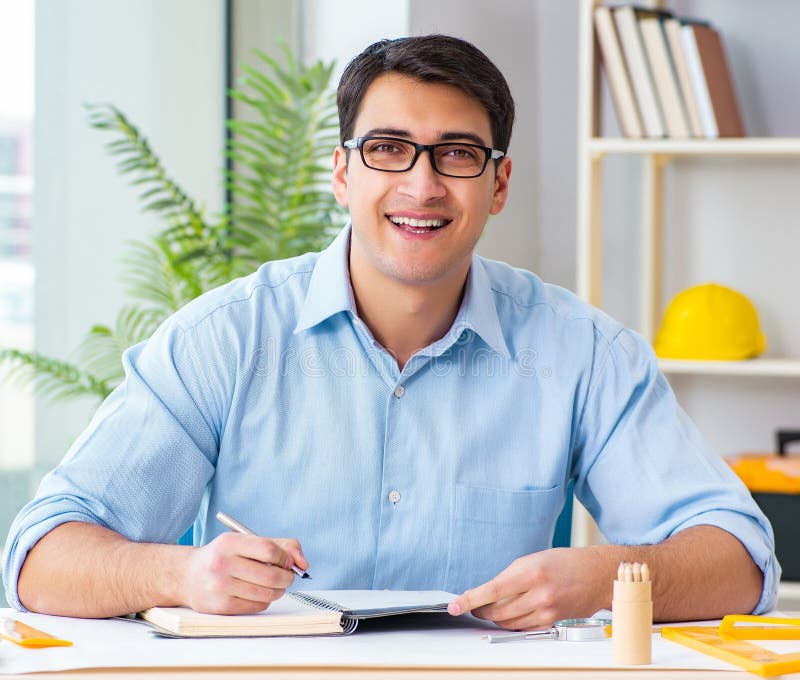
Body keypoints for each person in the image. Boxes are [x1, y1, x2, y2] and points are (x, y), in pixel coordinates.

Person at [3, 35, 776, 628]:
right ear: (343, 173)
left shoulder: (583, 352)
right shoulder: (225, 339)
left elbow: (740, 560)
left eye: (458, 154)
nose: (422, 184)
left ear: (499, 184)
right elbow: (40, 558)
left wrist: (607, 579)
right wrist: (179, 576)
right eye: (388, 149)